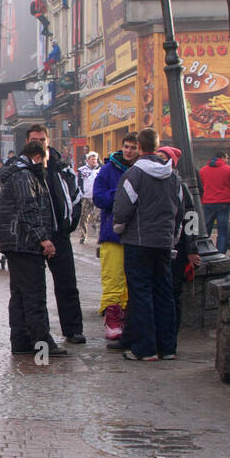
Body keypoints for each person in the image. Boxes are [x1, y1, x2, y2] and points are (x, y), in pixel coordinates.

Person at [111, 127, 183, 362]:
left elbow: (122, 208)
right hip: (163, 241)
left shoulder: (134, 174)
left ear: (139, 147)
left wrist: (119, 228)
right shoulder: (172, 176)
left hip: (138, 241)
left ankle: (145, 349)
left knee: (141, 294)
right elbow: (179, 210)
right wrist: (173, 236)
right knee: (164, 292)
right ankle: (168, 347)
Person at [0, 141, 66, 357]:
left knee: (19, 295)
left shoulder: (18, 173)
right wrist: (43, 239)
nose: (45, 165)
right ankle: (42, 344)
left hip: (16, 242)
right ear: (37, 157)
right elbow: (28, 209)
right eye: (45, 160)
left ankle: (20, 342)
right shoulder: (25, 176)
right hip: (25, 243)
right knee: (34, 294)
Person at [22, 124, 84, 343]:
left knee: (67, 283)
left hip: (59, 233)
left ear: (48, 141)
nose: (38, 143)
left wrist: (69, 224)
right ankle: (37, 335)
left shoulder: (61, 166)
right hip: (32, 236)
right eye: (33, 140)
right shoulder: (22, 167)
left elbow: (76, 197)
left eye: (42, 139)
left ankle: (73, 329)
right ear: (27, 142)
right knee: (33, 290)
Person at [93, 133, 139, 346]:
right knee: (112, 277)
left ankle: (129, 321)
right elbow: (98, 197)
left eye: (133, 147)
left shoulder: (142, 170)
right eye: (126, 147)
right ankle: (112, 320)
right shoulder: (108, 169)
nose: (129, 151)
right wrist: (121, 194)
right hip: (112, 233)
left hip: (137, 234)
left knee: (132, 281)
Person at [160, 146, 201, 345]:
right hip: (160, 244)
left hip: (178, 248)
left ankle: (171, 333)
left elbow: (191, 219)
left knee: (173, 291)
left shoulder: (181, 187)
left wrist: (192, 250)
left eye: (163, 157)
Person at [198, 150, 230, 255]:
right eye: (227, 158)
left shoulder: (203, 170)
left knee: (206, 229)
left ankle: (204, 250)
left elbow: (200, 186)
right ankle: (220, 253)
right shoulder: (228, 169)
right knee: (222, 231)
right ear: (223, 157)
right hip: (223, 203)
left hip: (208, 202)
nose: (227, 160)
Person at [76, 152, 100, 244]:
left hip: (97, 197)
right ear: (87, 160)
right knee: (83, 217)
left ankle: (99, 237)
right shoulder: (82, 170)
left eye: (95, 159)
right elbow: (79, 183)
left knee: (98, 217)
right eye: (92, 159)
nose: (94, 161)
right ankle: (83, 235)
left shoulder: (101, 169)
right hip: (86, 197)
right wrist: (81, 193)